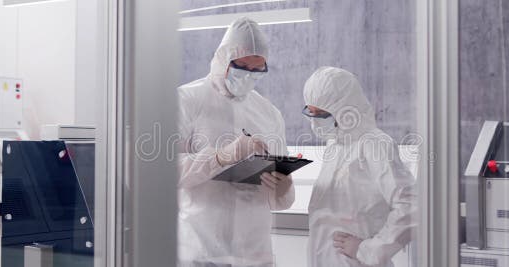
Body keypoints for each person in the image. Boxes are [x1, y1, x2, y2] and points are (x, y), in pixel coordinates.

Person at [176, 17, 295, 267]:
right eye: (242, 66)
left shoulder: (269, 113)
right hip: (202, 251)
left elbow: (279, 196)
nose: (248, 75)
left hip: (254, 254)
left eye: (257, 69)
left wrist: (283, 189)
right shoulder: (187, 100)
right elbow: (164, 175)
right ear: (223, 59)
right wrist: (221, 157)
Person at [302, 67, 417, 267]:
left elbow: (411, 206)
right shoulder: (335, 144)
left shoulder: (374, 144)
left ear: (345, 108)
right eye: (311, 112)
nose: (315, 122)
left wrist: (368, 250)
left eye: (322, 114)